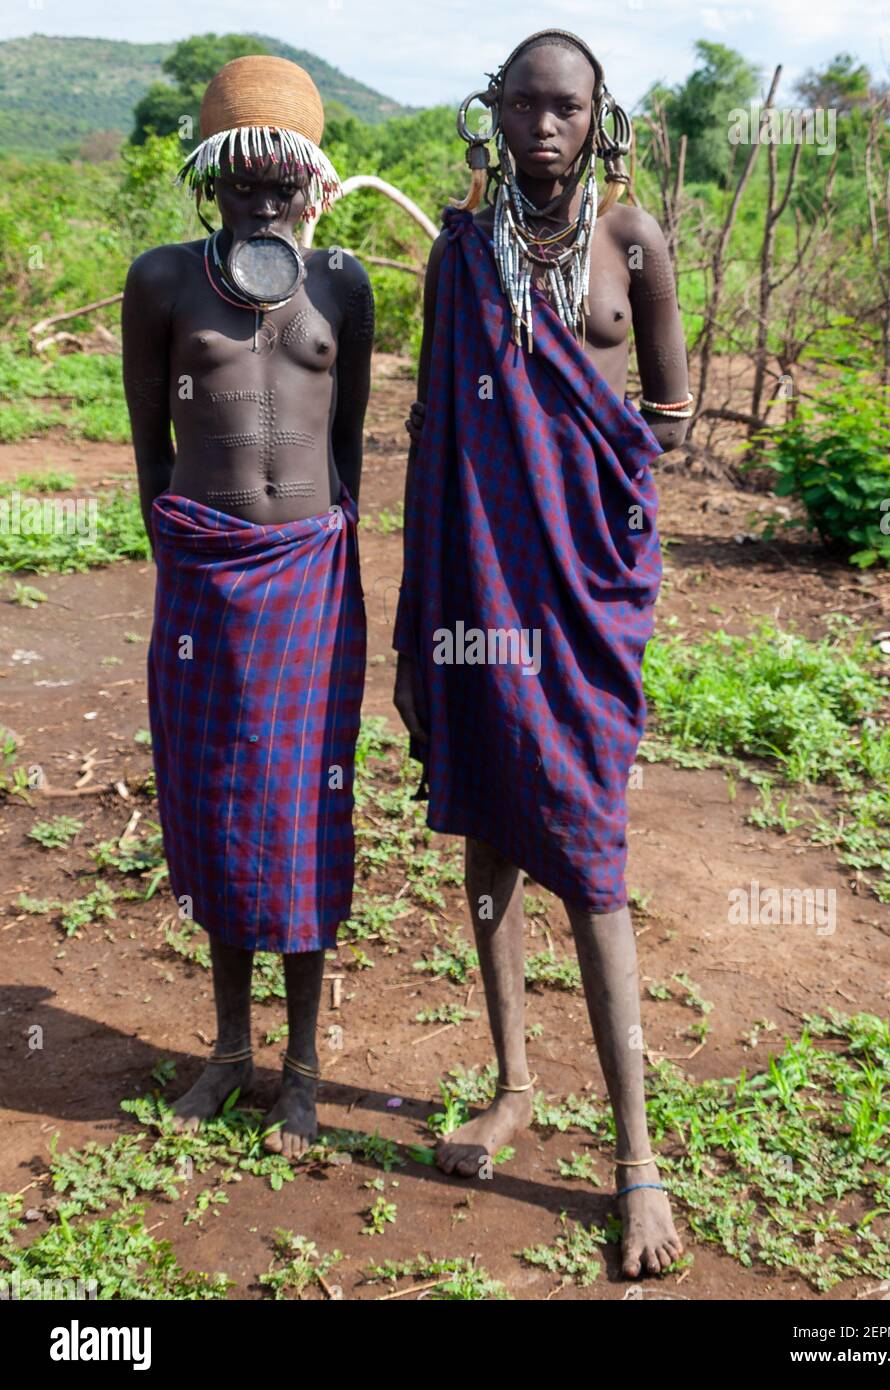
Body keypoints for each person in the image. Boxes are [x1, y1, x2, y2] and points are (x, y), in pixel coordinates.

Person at [393, 29, 689, 1276]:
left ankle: (636, 1164)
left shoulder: (633, 240)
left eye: (567, 108)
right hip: (483, 590)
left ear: (598, 115)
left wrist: (594, 490)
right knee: (492, 834)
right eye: (525, 106)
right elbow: (430, 426)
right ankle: (512, 1083)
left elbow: (668, 408)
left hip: (582, 600)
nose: (546, 129)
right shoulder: (462, 255)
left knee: (593, 859)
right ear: (494, 114)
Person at [122, 54, 373, 1158]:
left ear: (313, 184)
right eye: (243, 181)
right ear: (209, 182)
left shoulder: (344, 287)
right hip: (207, 580)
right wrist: (187, 555)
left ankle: (305, 1071)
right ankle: (229, 1050)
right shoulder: (164, 282)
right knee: (224, 809)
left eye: (284, 183)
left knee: (303, 816)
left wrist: (315, 543)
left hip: (309, 581)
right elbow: (149, 447)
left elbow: (350, 449)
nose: (262, 201)